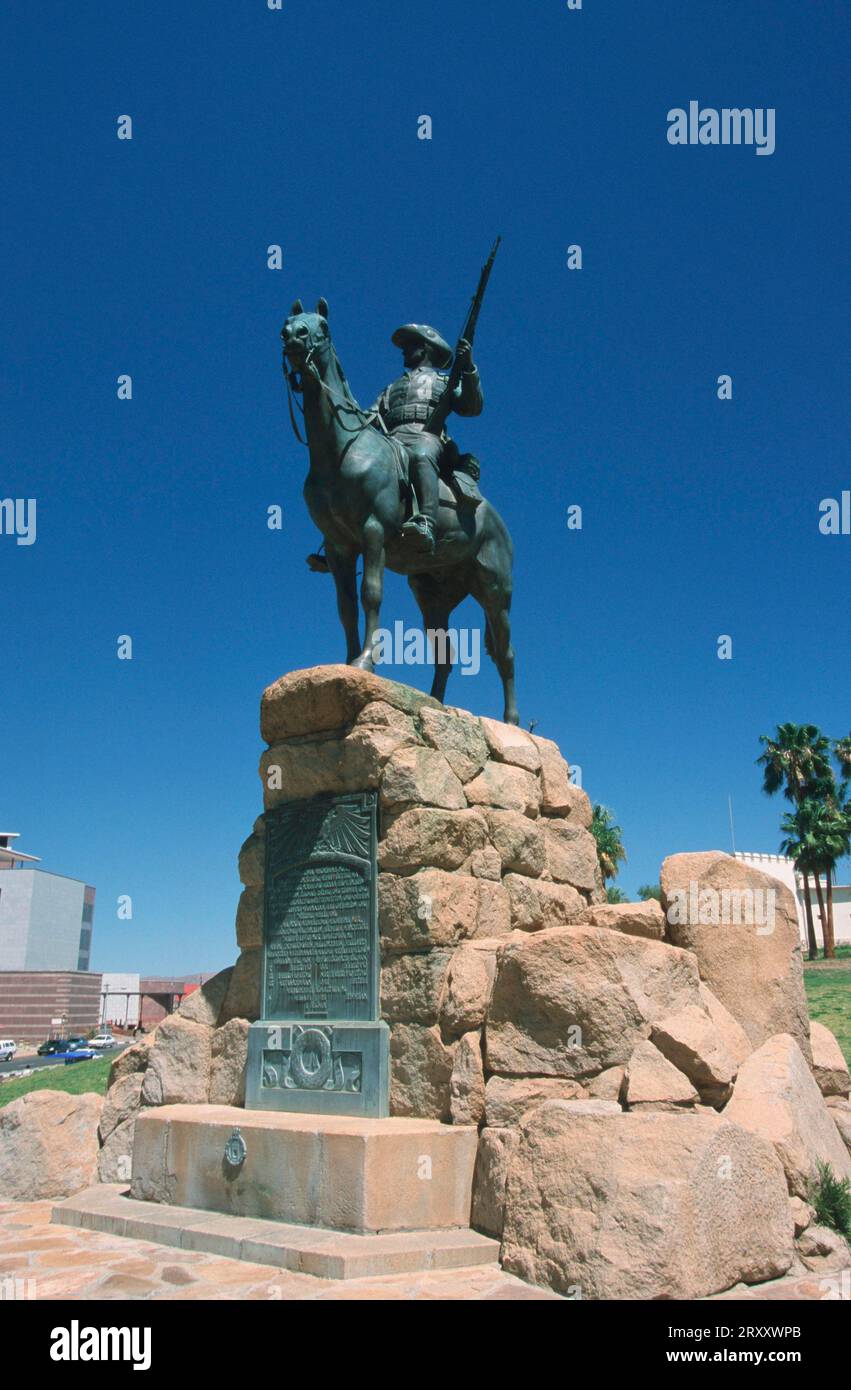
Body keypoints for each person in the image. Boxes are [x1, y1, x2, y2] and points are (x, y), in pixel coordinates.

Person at [372, 324, 483, 553]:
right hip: (391, 439)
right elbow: (372, 414)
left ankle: (427, 523)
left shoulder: (444, 382)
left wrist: (469, 368)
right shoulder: (392, 387)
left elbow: (472, 407)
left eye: (409, 345)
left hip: (426, 435)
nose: (404, 351)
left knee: (421, 455)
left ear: (425, 349)